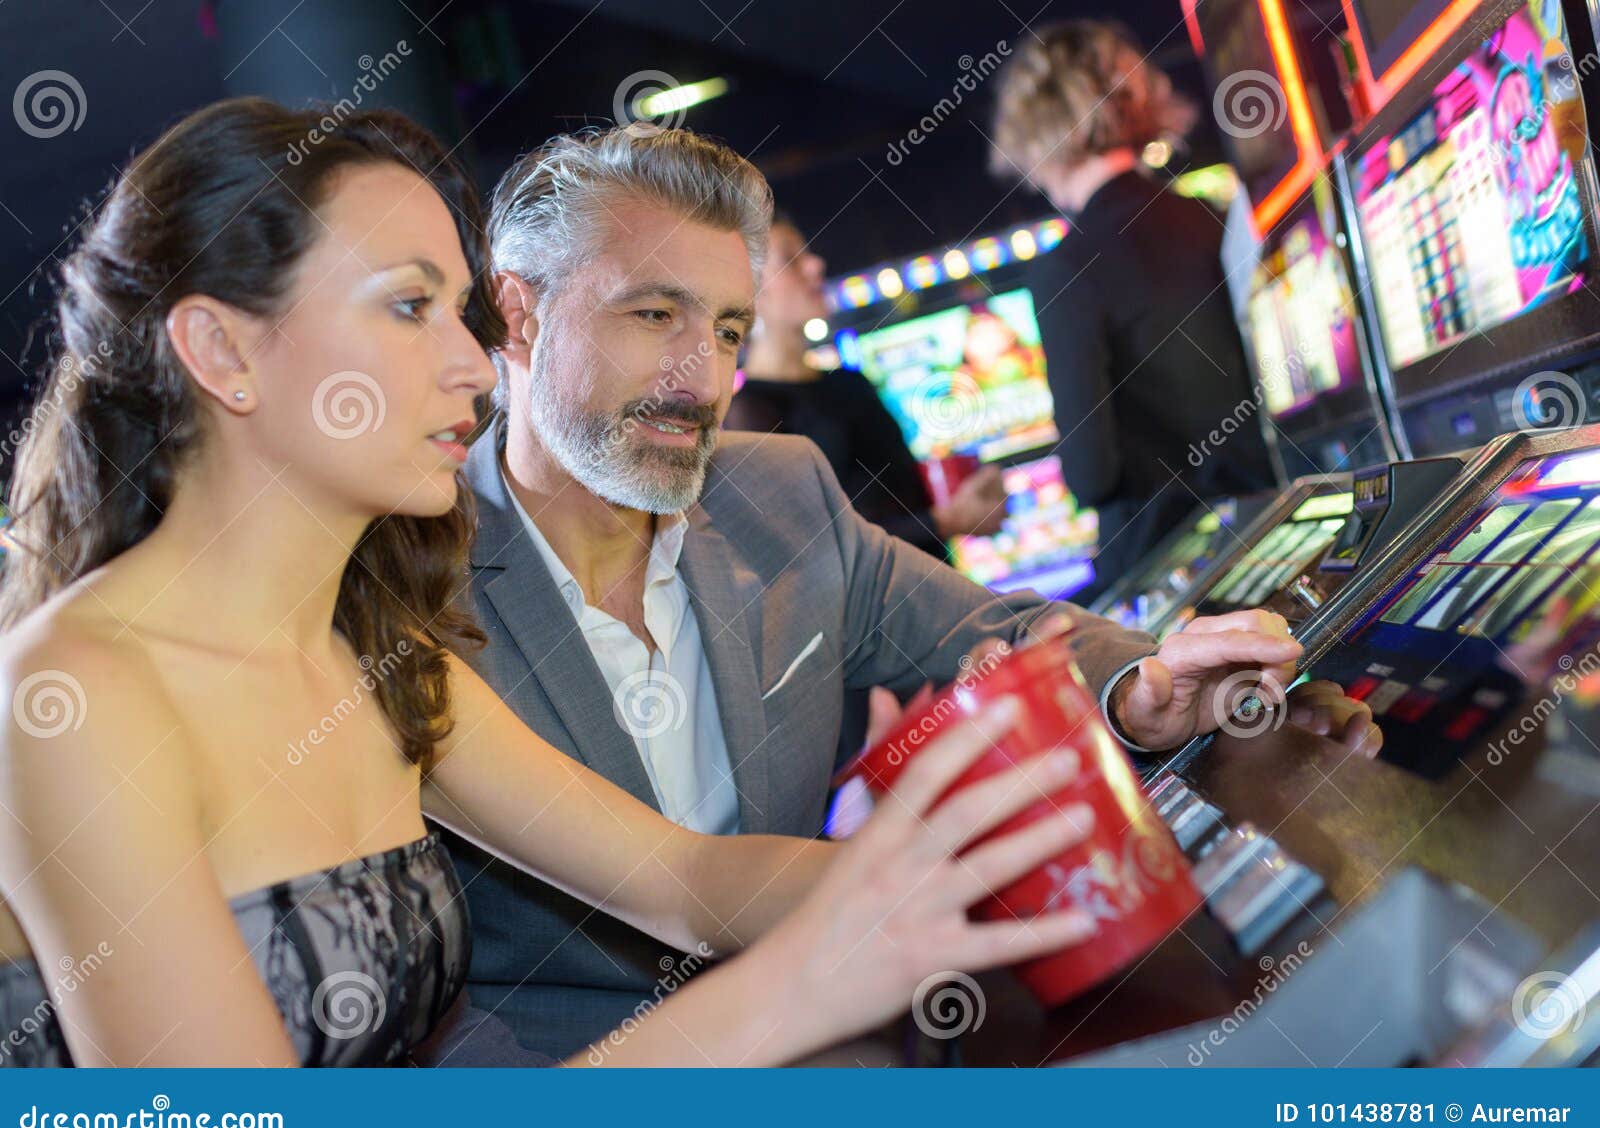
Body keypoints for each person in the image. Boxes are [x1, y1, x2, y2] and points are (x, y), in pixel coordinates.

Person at [0, 97, 1119, 1068]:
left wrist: (973, 860)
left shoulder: (375, 657)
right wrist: (789, 994)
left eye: (458, 312)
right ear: (223, 351)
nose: (468, 360)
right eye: (408, 306)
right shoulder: (73, 694)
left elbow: (686, 883)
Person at [449, 122, 1381, 1058]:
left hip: (862, 1037)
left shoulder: (778, 491)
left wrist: (1145, 692)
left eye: (728, 329)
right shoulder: (405, 574)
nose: (704, 380)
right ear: (519, 313)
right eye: (655, 315)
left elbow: (1001, 628)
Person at [990, 20, 1276, 601]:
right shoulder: (1214, 219)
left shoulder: (1066, 269)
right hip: (1273, 523)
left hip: (1167, 569)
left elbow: (1092, 475)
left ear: (1035, 135)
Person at [728, 214, 1006, 558]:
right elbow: (806, 545)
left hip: (932, 577)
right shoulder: (750, 415)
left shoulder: (850, 381)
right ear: (749, 292)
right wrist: (946, 521)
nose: (816, 265)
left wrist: (966, 490)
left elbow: (904, 493)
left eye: (808, 254)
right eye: (791, 260)